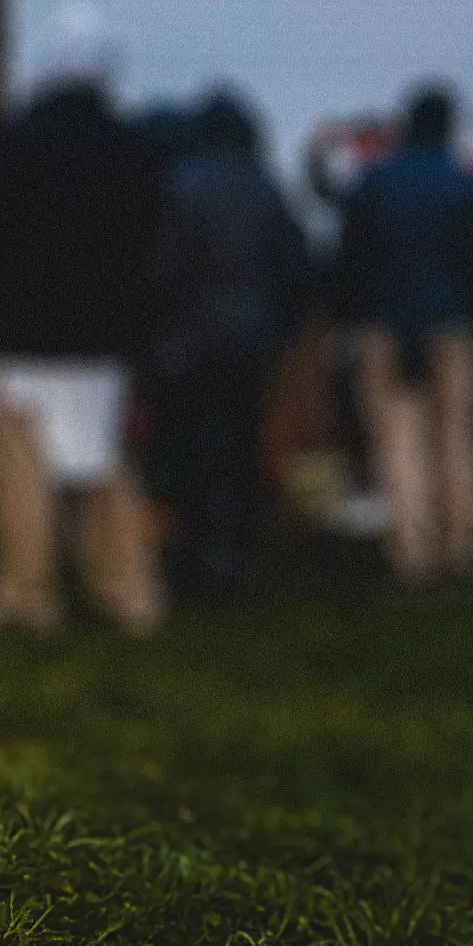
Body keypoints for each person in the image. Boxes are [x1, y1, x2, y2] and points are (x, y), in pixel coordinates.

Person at [0, 79, 168, 634]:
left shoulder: (13, 149)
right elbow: (154, 244)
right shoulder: (128, 153)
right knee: (101, 467)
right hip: (100, 343)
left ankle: (26, 593)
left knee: (20, 474)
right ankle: (129, 591)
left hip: (18, 341)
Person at [142, 90, 313, 599]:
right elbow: (296, 265)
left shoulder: (182, 183)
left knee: (192, 447)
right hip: (254, 338)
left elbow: (165, 268)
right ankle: (237, 551)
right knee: (240, 445)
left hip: (190, 340)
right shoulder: (267, 186)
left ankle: (197, 554)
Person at [329, 84, 473, 585]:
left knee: (399, 440)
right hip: (454, 325)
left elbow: (350, 260)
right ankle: (462, 545)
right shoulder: (470, 186)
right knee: (459, 437)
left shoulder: (374, 183)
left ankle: (414, 551)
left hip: (386, 328)